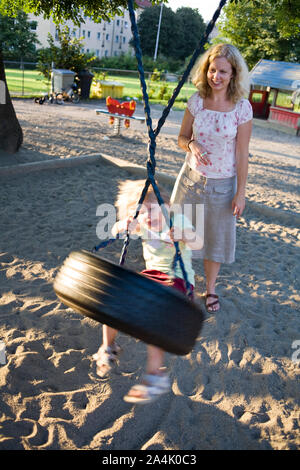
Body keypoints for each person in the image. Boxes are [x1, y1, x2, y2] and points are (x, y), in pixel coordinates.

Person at [93, 179, 203, 404]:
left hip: (178, 279)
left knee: (156, 315)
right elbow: (114, 230)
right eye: (141, 214)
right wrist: (123, 226)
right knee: (116, 295)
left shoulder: (176, 221)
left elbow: (199, 244)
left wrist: (183, 235)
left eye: (152, 210)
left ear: (166, 206)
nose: (148, 216)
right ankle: (108, 346)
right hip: (152, 277)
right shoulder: (142, 223)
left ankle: (155, 375)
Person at [171, 43, 253, 313]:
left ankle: (212, 288)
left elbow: (242, 154)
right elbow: (182, 138)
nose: (216, 76)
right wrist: (191, 145)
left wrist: (240, 193)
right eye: (212, 70)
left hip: (223, 186)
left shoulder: (242, 108)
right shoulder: (196, 101)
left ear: (234, 75)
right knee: (184, 236)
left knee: (215, 241)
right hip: (191, 181)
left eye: (223, 72)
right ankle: (183, 284)